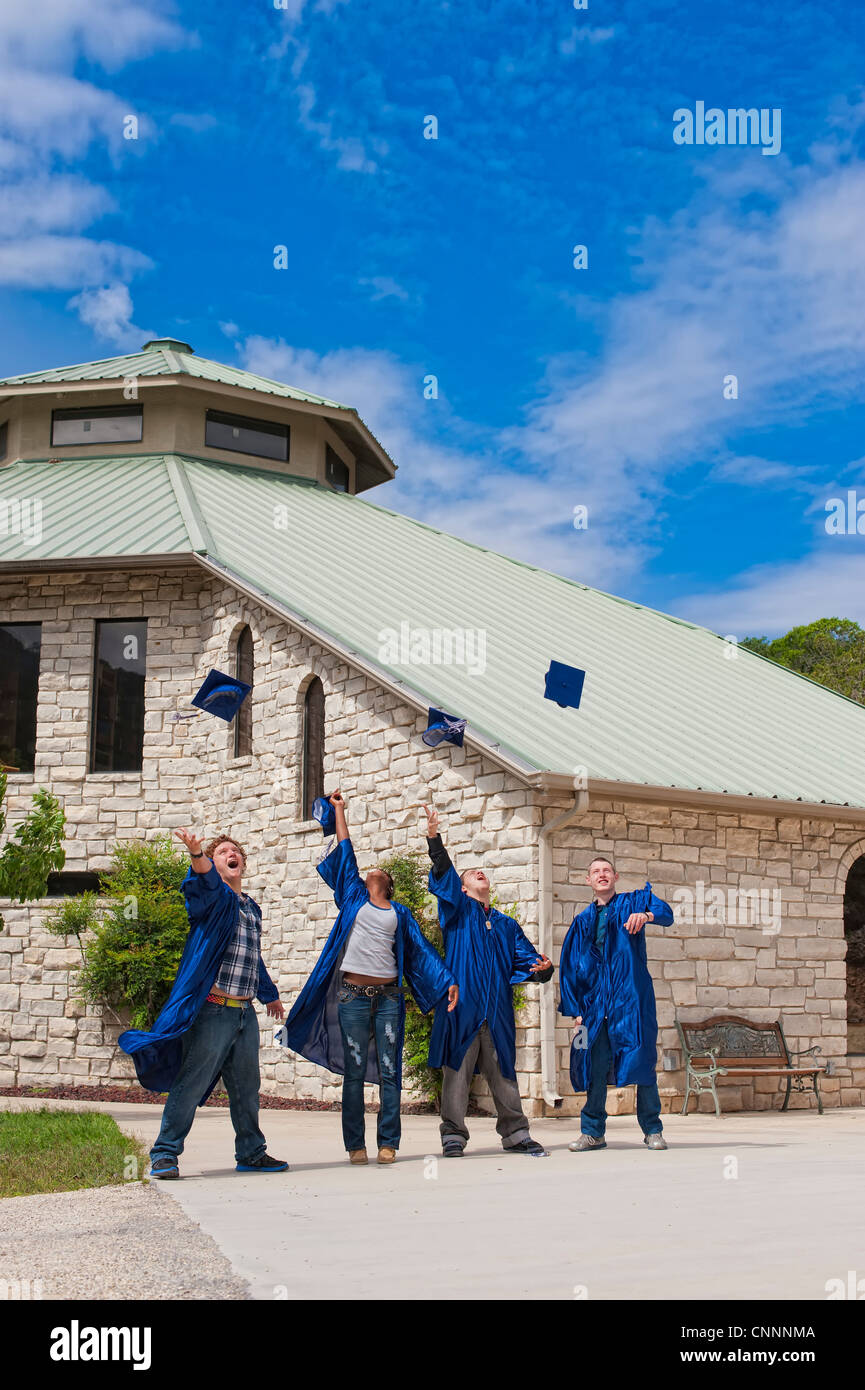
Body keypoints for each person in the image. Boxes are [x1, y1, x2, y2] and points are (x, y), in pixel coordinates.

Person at [282, 791, 458, 1165]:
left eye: (380, 872)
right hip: (353, 997)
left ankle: (388, 1142)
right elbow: (346, 848)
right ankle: (355, 1146)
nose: (372, 870)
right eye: (368, 870)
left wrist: (447, 981)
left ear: (389, 885)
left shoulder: (400, 913)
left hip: (389, 1000)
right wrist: (341, 810)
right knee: (355, 1070)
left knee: (392, 1069)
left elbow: (422, 951)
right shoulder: (352, 898)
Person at [119, 829, 287, 1178]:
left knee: (246, 1088)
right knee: (192, 1082)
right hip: (213, 1009)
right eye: (222, 851)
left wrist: (269, 995)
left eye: (235, 850)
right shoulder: (213, 900)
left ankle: (252, 1153)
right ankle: (165, 1154)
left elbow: (251, 958)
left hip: (244, 1012)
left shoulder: (251, 908)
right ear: (215, 862)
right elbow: (203, 884)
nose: (231, 853)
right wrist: (198, 855)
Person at [423, 804, 553, 1157]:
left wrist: (543, 970)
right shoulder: (456, 912)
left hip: (496, 1011)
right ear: (462, 890)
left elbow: (527, 960)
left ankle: (515, 1135)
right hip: (462, 1008)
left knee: (503, 1074)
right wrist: (434, 839)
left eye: (482, 871)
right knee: (456, 1074)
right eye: (471, 874)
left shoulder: (506, 925)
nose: (479, 873)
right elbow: (444, 875)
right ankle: (453, 1136)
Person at [558, 855, 674, 1152]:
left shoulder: (633, 902)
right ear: (588, 880)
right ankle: (592, 1132)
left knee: (642, 1063)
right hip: (594, 1008)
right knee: (593, 1066)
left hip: (631, 1002)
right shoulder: (582, 922)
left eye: (606, 870)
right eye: (595, 871)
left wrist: (646, 916)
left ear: (615, 876)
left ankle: (652, 1130)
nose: (601, 874)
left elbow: (667, 913)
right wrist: (577, 1013)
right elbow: (571, 969)